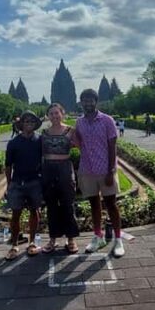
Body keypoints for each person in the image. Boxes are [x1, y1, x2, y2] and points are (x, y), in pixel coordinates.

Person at [75, 89, 124, 258]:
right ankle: (98, 236)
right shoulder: (79, 123)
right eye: (84, 100)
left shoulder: (107, 120)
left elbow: (112, 146)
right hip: (87, 170)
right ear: (81, 102)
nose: (88, 103)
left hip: (105, 170)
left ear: (96, 102)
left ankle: (118, 239)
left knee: (111, 205)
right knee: (94, 205)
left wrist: (111, 170)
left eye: (91, 100)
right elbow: (79, 143)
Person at [41, 103, 79, 254]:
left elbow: (81, 146)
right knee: (51, 206)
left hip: (65, 168)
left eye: (57, 113)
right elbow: (40, 153)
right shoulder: (44, 133)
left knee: (68, 204)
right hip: (48, 169)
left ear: (62, 114)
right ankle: (52, 239)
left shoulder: (71, 131)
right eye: (51, 114)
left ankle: (71, 239)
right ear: (48, 116)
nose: (54, 116)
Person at [4, 110, 43, 260]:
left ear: (35, 124)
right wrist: (9, 183)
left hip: (35, 181)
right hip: (18, 182)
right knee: (16, 214)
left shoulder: (39, 140)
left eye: (32, 122)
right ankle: (14, 244)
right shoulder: (14, 143)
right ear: (21, 124)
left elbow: (44, 160)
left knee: (35, 212)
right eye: (26, 121)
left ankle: (32, 242)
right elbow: (8, 165)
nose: (29, 124)